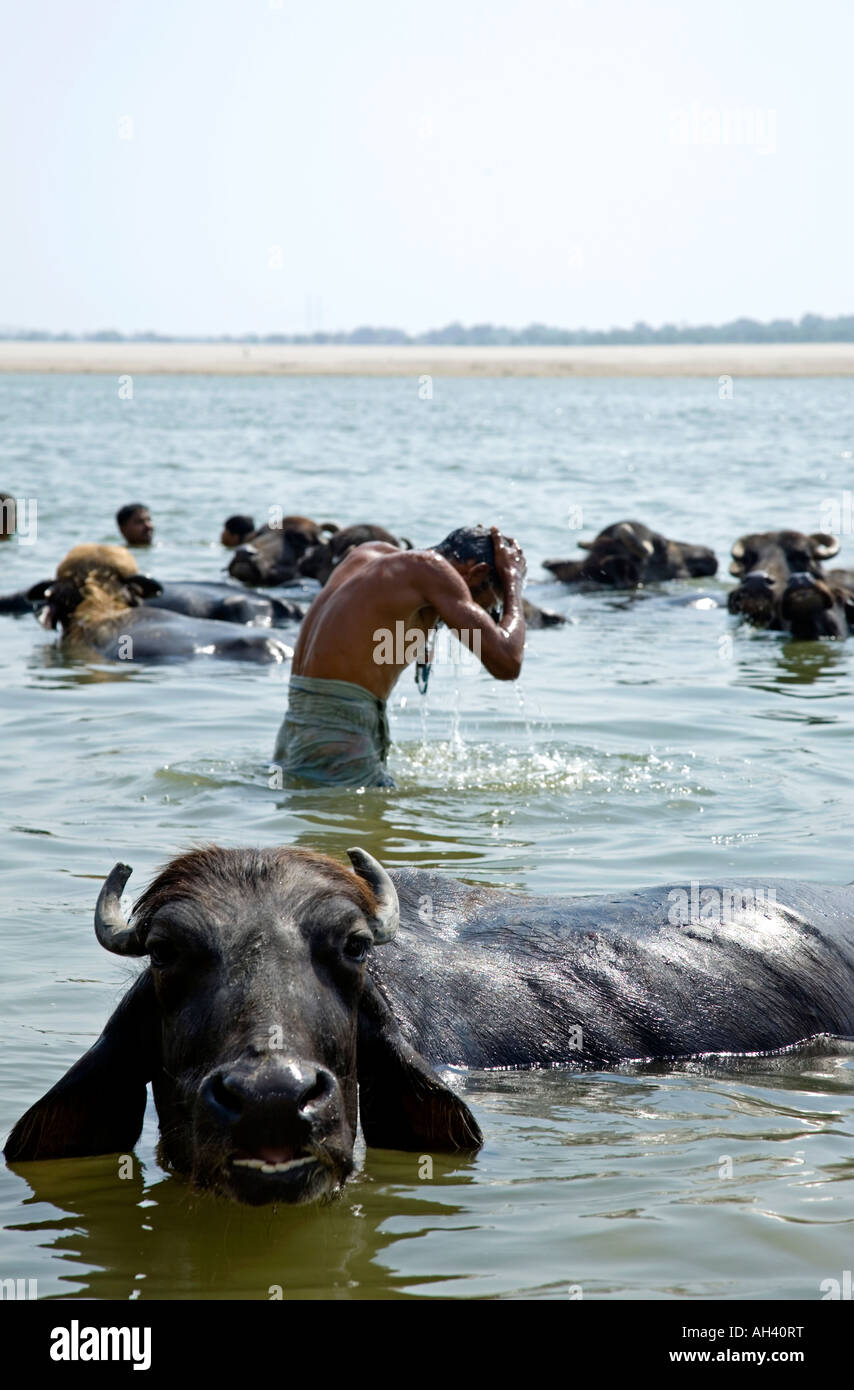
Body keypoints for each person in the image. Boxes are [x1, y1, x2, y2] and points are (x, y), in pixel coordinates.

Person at [272, 524, 526, 788]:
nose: (483, 614)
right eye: (488, 605)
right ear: (477, 573)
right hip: (339, 739)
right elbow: (507, 663)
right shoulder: (431, 570)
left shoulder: (370, 555)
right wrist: (513, 583)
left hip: (296, 731)